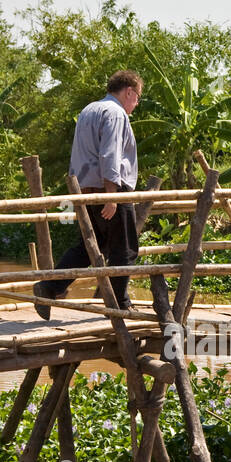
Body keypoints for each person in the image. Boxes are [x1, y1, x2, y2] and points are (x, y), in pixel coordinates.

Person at [33, 70, 142, 319]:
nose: (135, 105)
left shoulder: (89, 110)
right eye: (137, 98)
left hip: (87, 190)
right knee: (124, 249)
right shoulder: (115, 113)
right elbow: (110, 154)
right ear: (129, 92)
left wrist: (83, 195)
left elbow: (81, 154)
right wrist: (112, 195)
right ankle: (118, 304)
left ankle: (50, 286)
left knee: (91, 245)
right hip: (109, 189)